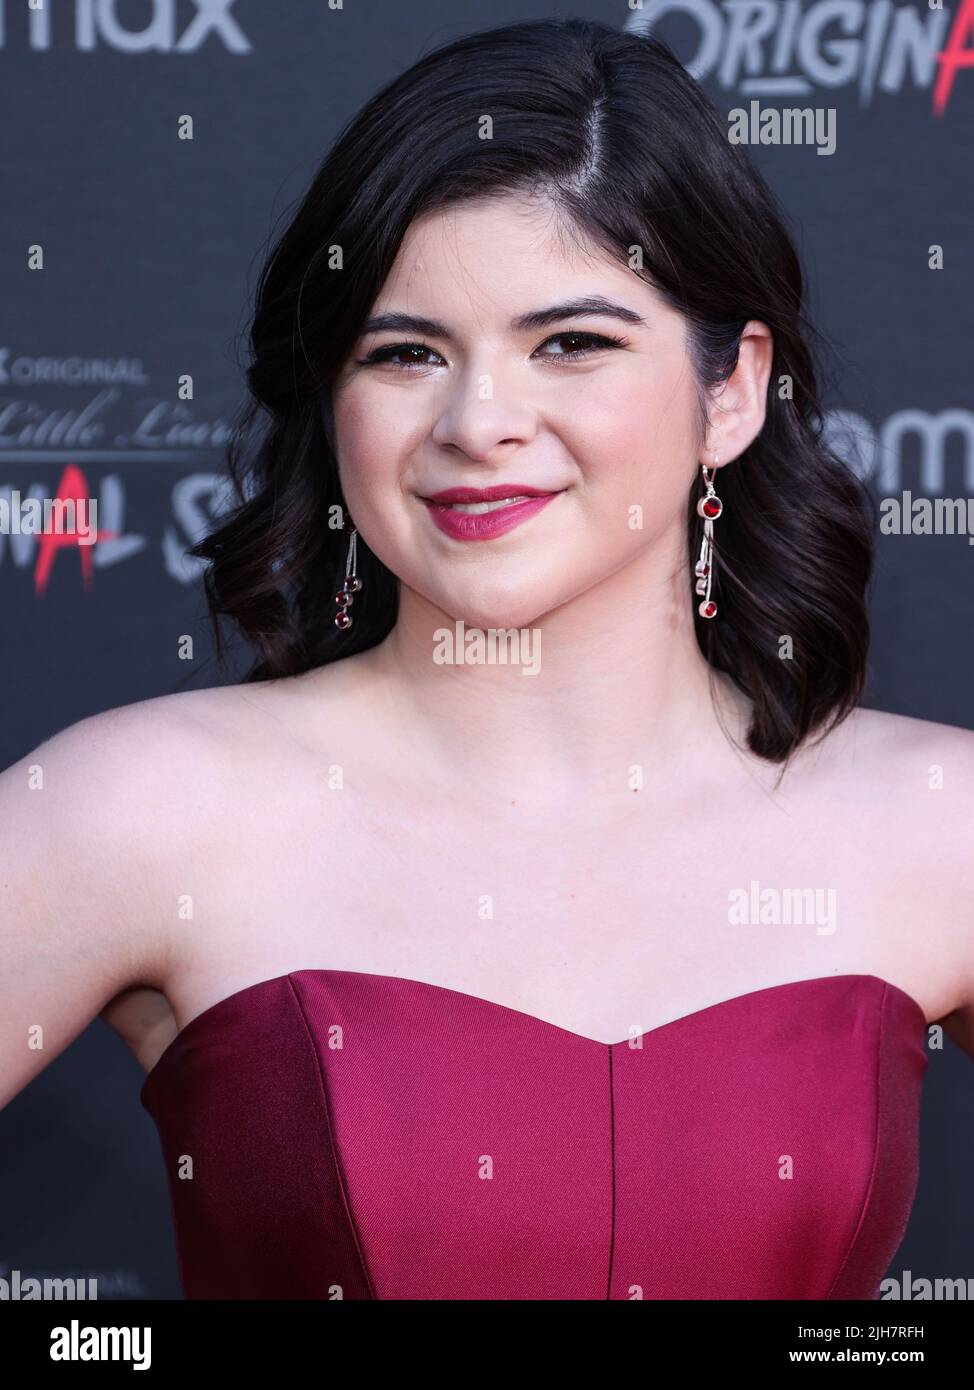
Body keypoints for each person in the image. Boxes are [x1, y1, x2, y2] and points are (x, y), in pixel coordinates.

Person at [2, 17, 971, 1300]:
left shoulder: (933, 824)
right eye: (404, 353)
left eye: (570, 341)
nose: (478, 423)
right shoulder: (143, 810)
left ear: (729, 392)